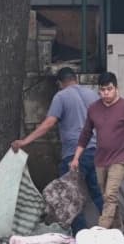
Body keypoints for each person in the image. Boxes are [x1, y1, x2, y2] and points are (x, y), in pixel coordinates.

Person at [11, 67, 104, 232]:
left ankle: (80, 235)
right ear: (75, 78)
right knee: (97, 194)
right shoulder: (92, 95)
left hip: (74, 154)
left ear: (60, 83)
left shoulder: (61, 96)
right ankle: (112, 229)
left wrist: (25, 141)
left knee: (69, 196)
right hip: (94, 151)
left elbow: (48, 124)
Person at [70, 72, 124, 231]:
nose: (106, 93)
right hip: (100, 160)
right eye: (103, 90)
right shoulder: (94, 109)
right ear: (99, 91)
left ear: (116, 89)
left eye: (109, 89)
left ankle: (100, 232)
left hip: (120, 159)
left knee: (110, 195)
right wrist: (76, 157)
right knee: (108, 198)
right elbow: (85, 134)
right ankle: (118, 232)